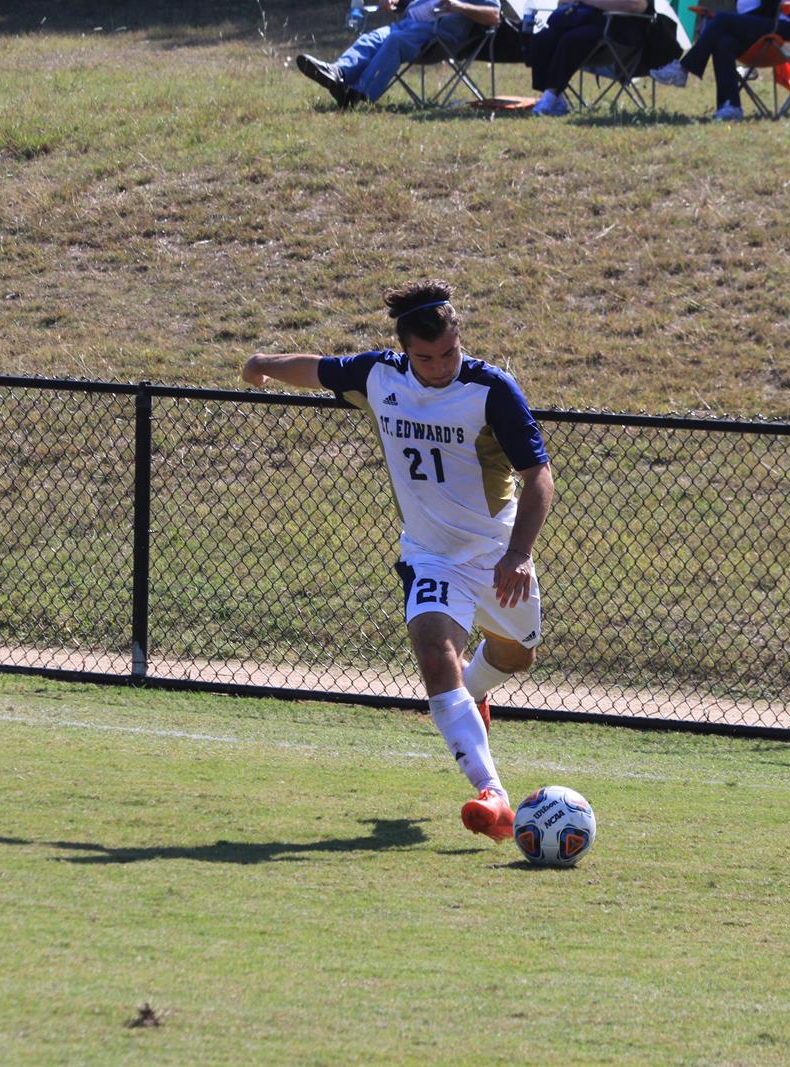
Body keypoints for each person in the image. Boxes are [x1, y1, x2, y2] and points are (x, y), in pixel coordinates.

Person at [238, 280, 555, 844]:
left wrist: (519, 554)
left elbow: (539, 477)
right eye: (425, 358)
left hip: (496, 556)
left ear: (459, 338)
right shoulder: (380, 376)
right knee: (434, 654)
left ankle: (474, 695)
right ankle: (493, 794)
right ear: (405, 350)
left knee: (517, 655)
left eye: (449, 353)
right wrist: (263, 362)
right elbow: (318, 369)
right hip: (431, 557)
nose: (439, 367)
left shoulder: (491, 390)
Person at [296, 0, 502, 109]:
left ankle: (356, 96)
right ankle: (337, 72)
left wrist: (459, 6)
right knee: (372, 38)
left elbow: (494, 15)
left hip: (437, 36)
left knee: (395, 41)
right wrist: (396, 3)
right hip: (408, 26)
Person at [650, 0, 790, 120]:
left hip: (780, 27)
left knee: (722, 20)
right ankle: (731, 106)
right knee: (723, 42)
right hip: (757, 31)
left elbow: (771, 9)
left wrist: (737, 22)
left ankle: (683, 69)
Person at [525, 0, 653, 117]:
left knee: (571, 40)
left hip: (618, 34)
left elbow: (637, 5)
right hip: (586, 23)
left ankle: (550, 97)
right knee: (542, 40)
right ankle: (558, 102)